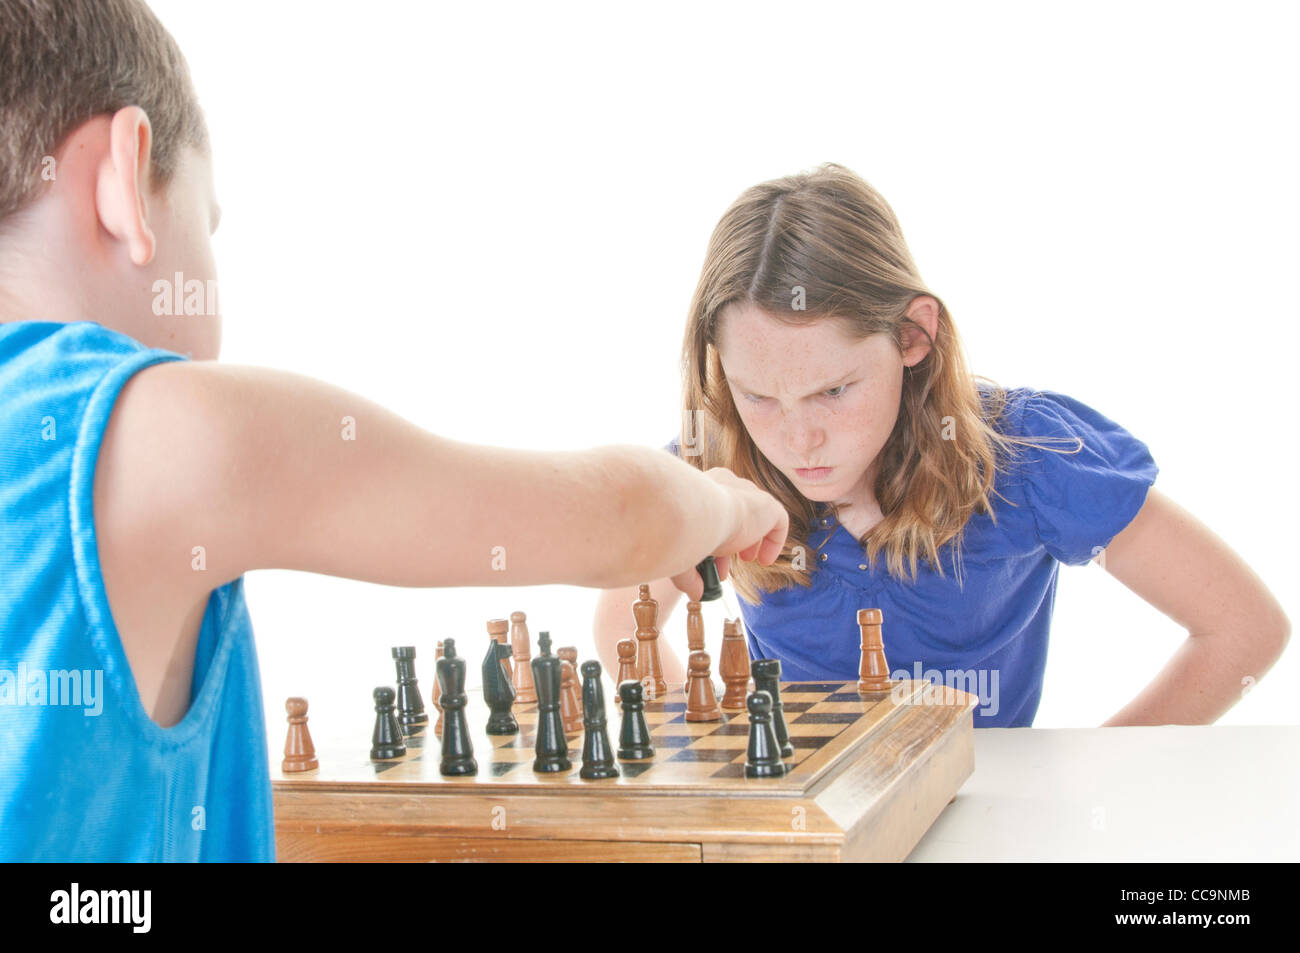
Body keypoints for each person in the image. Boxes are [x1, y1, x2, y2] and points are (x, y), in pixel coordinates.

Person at [0, 0, 787, 861]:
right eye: (208, 221)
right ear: (128, 176)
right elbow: (621, 516)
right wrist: (719, 504)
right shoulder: (163, 433)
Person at [594, 162, 1289, 729]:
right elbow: (624, 627)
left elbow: (1242, 630)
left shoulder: (1028, 455)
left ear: (913, 336)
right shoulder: (713, 470)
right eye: (758, 397)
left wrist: (1080, 787)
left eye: (834, 391)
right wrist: (720, 751)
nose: (797, 438)